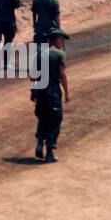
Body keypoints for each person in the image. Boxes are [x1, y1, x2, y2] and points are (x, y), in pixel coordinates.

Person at [31, 27, 70, 163]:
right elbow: (62, 75)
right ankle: (49, 153)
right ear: (57, 40)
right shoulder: (59, 54)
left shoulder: (40, 54)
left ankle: (40, 142)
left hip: (40, 92)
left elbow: (33, 76)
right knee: (54, 121)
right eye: (62, 41)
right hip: (52, 93)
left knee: (42, 118)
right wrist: (67, 93)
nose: (63, 44)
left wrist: (33, 92)